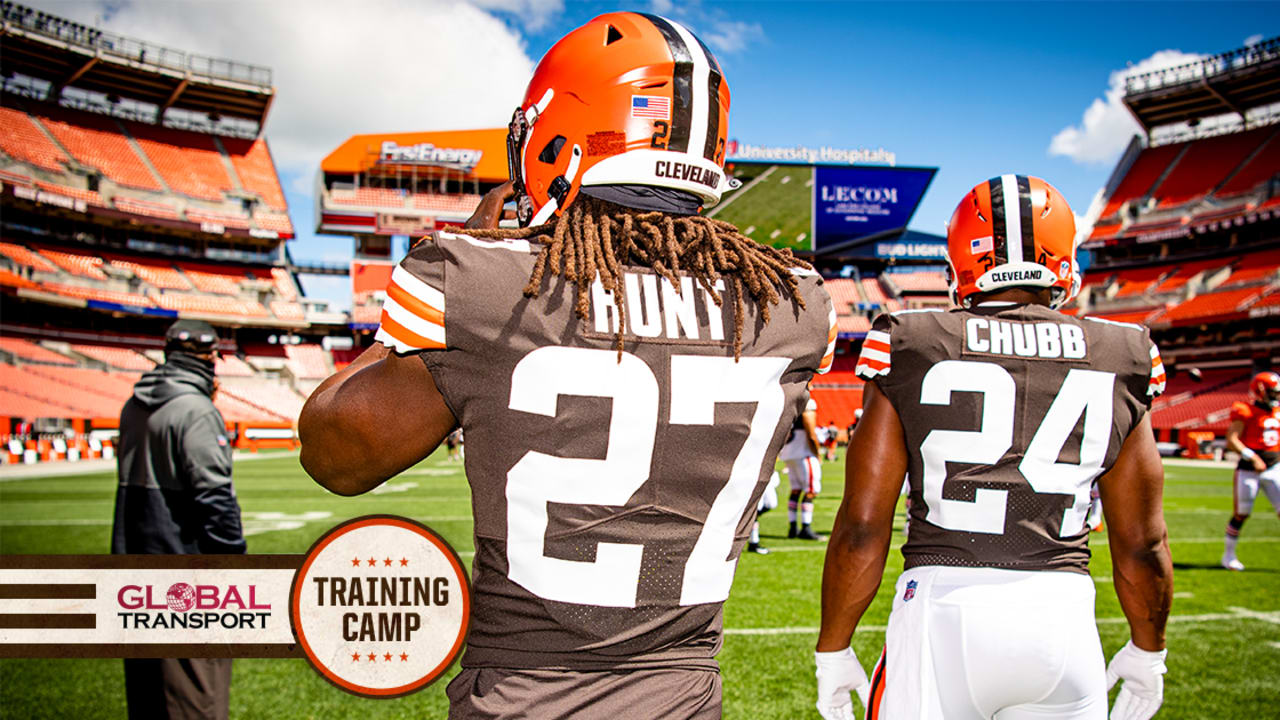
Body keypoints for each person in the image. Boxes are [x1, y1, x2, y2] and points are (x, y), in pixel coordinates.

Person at [298, 12, 836, 719]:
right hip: (685, 699)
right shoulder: (795, 304)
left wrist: (414, 311)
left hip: (524, 699)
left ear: (558, 134)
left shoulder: (481, 278)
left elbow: (336, 457)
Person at [814, 175, 1174, 720]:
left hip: (943, 610)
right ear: (1063, 261)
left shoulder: (912, 339)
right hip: (1062, 620)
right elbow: (1143, 543)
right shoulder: (1123, 351)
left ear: (961, 264)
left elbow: (863, 526)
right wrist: (1150, 652)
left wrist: (833, 647)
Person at [112, 319, 244, 720]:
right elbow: (215, 499)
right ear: (208, 357)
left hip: (133, 572)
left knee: (147, 696)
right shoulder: (196, 411)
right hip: (186, 575)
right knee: (197, 696)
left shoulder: (132, 405)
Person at [1221, 370, 1280, 571]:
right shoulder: (1244, 410)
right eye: (1273, 392)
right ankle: (1228, 555)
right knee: (1242, 514)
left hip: (1274, 467)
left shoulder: (1277, 411)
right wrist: (1252, 457)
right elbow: (1232, 440)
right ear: (1261, 391)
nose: (1276, 396)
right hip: (1248, 470)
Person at [779, 393, 824, 540]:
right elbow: (811, 433)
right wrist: (817, 452)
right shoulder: (807, 403)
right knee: (811, 491)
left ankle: (792, 527)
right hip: (803, 453)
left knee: (796, 490)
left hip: (789, 452)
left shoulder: (789, 400)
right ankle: (805, 527)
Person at [748, 470, 782, 554]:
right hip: (756, 472)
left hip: (768, 471)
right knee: (755, 508)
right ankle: (753, 542)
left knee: (771, 503)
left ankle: (746, 523)